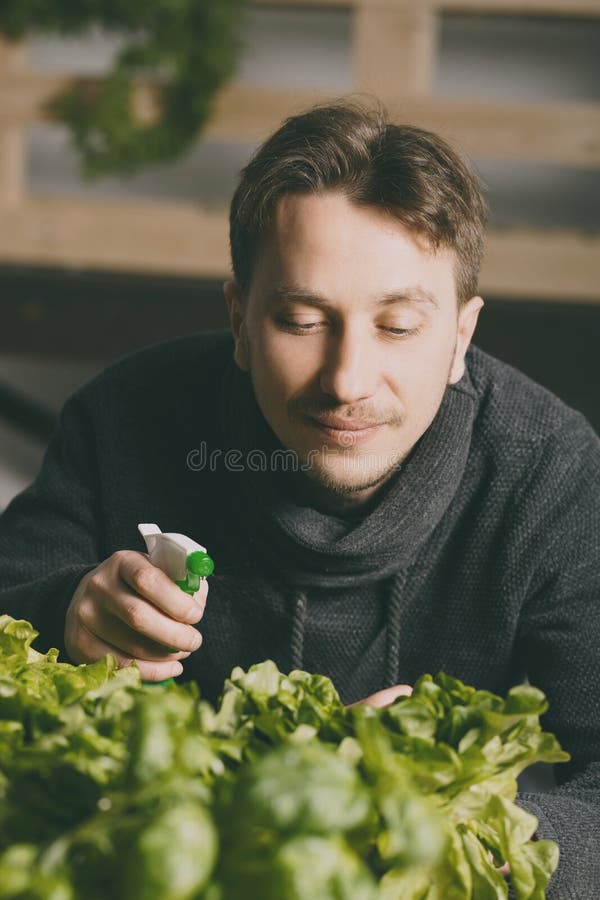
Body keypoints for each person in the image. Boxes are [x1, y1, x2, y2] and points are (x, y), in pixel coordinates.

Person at [0, 101, 598, 896]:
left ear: (461, 338)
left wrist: (461, 829)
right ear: (240, 321)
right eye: (302, 320)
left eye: (397, 327)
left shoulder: (550, 477)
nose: (346, 382)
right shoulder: (122, 418)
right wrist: (61, 613)